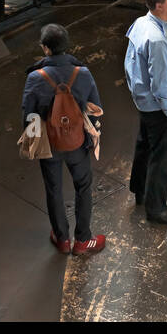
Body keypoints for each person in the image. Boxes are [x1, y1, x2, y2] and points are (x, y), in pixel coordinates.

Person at [20, 23, 105, 255]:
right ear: (67, 46)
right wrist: (90, 139)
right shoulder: (83, 73)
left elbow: (29, 115)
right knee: (83, 186)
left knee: (53, 189)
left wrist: (35, 143)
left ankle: (62, 239)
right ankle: (83, 240)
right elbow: (95, 109)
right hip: (77, 141)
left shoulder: (35, 77)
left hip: (49, 143)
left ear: (46, 49)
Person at [126, 0, 167, 225]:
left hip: (144, 103)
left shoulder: (143, 23)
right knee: (163, 158)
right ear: (159, 5)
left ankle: (140, 190)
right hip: (160, 108)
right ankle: (157, 209)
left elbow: (130, 61)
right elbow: (160, 83)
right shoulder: (158, 40)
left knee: (144, 146)